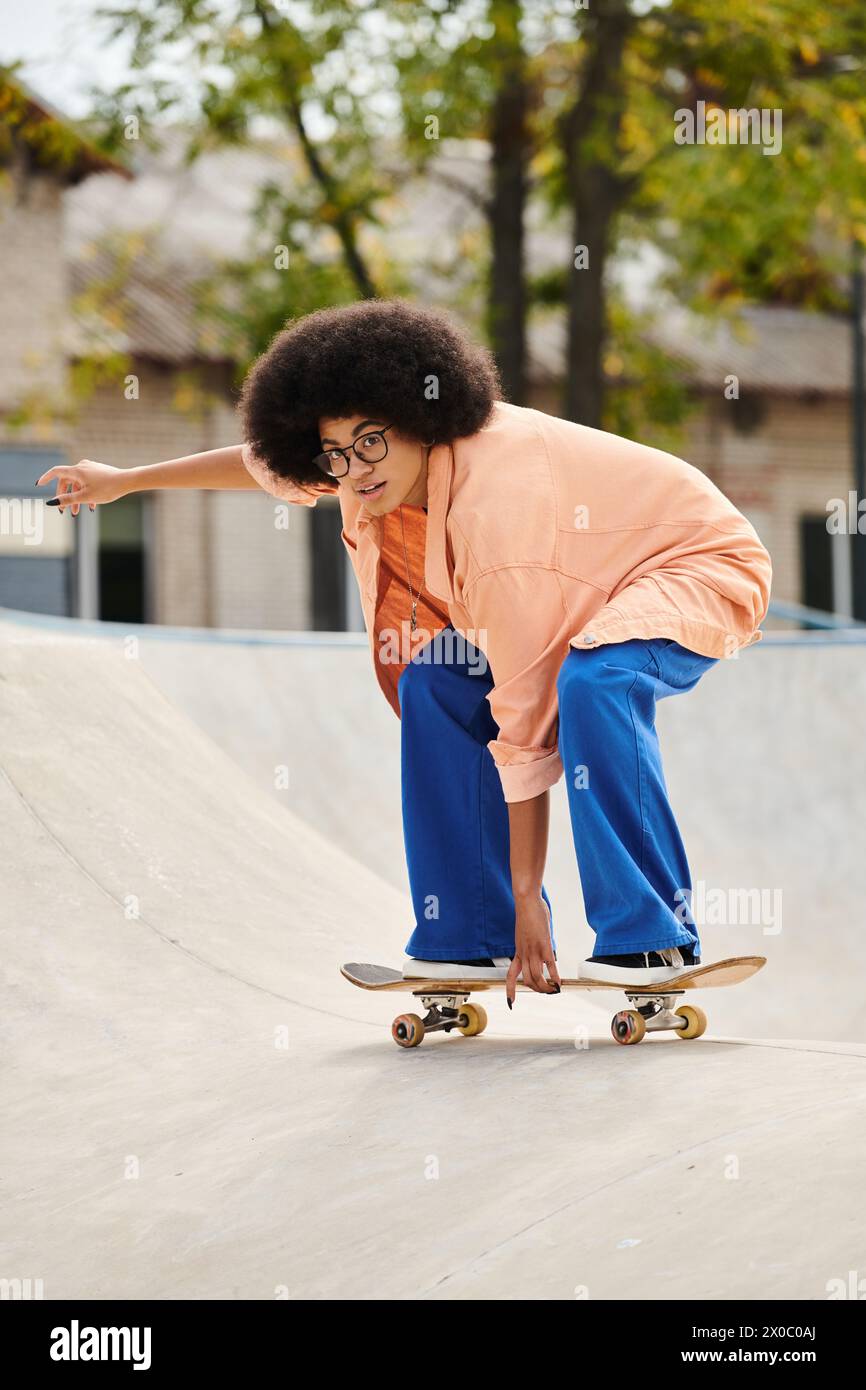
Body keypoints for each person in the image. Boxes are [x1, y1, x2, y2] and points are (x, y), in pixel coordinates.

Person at [38, 298, 772, 1009]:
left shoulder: (497, 515)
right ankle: (463, 928)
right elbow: (260, 464)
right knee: (437, 681)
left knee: (595, 681)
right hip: (582, 588)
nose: (355, 469)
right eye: (336, 453)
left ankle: (654, 935)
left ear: (423, 420)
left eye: (370, 441)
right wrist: (126, 481)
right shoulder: (366, 476)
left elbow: (523, 725)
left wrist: (530, 899)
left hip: (692, 560)